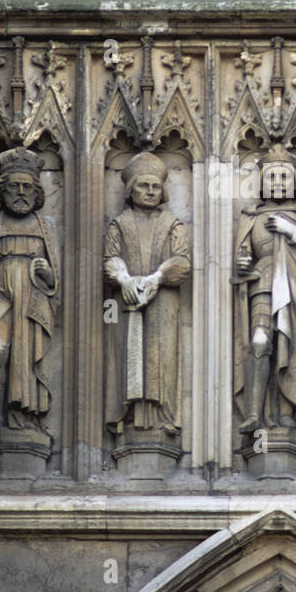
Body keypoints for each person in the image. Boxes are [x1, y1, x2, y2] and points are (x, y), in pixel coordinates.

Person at [233, 145, 296, 436]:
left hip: (295, 290)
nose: (279, 183)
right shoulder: (251, 217)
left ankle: (285, 414)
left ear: (295, 182)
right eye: (272, 178)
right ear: (261, 183)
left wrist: (290, 230)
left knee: (290, 347)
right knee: (259, 343)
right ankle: (255, 414)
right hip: (262, 283)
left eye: (284, 177)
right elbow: (242, 256)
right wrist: (243, 263)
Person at [104, 152, 191, 438]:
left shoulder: (173, 224)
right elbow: (110, 258)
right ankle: (126, 418)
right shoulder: (119, 224)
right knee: (126, 356)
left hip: (163, 301)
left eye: (156, 187)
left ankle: (163, 418)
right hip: (126, 301)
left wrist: (158, 277)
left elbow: (183, 261)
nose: (151, 192)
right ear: (131, 190)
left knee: (163, 358)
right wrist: (123, 278)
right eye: (144, 186)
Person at [0, 146, 59, 441]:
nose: (21, 193)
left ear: (37, 192)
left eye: (28, 187)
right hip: (4, 298)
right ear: (3, 190)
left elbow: (56, 277)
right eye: (14, 186)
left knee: (26, 357)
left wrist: (48, 274)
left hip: (33, 299)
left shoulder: (45, 226)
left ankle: (29, 415)